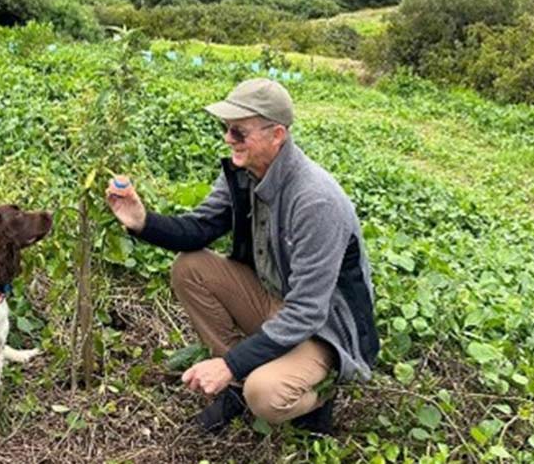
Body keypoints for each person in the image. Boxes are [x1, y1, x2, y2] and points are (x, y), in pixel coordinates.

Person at [105, 77, 379, 434]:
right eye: (226, 129)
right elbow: (200, 229)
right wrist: (142, 221)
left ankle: (319, 396)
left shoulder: (315, 201)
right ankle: (239, 383)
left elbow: (308, 310)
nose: (228, 139)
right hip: (273, 298)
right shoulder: (245, 171)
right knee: (191, 268)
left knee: (264, 394)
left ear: (277, 135)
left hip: (322, 327)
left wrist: (230, 364)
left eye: (239, 132)